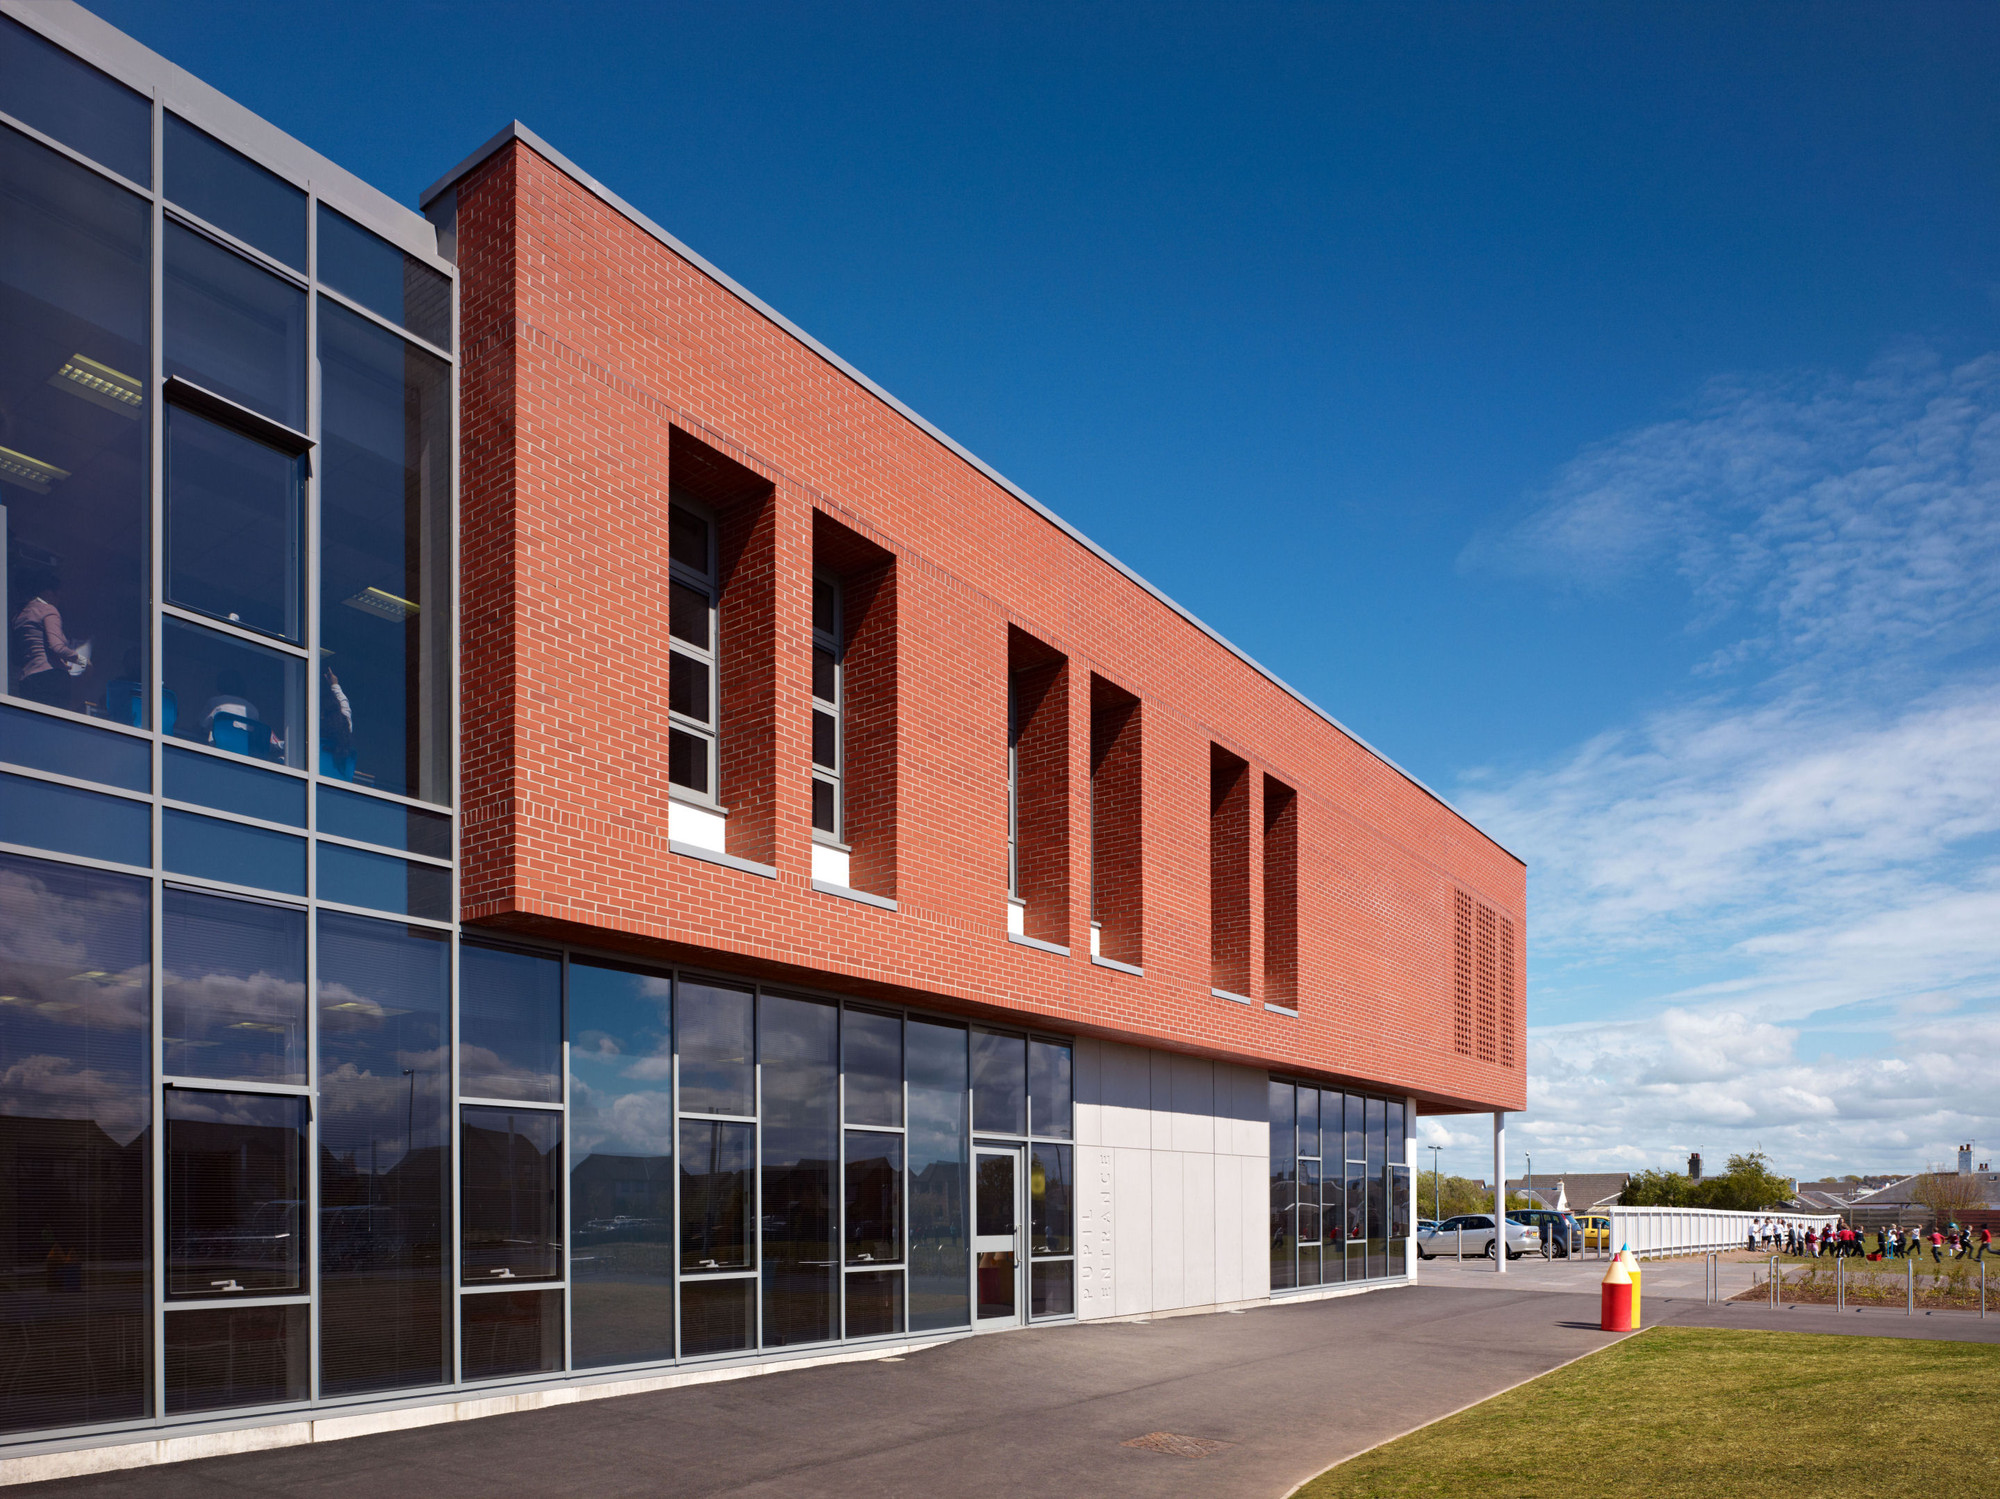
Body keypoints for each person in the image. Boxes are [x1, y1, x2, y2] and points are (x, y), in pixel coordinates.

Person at [9, 565, 86, 709]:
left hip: (27, 681)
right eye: (57, 593)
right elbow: (57, 647)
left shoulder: (19, 616)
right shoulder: (48, 610)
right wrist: (83, 661)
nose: (59, 597)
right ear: (47, 592)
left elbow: (16, 657)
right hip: (51, 678)